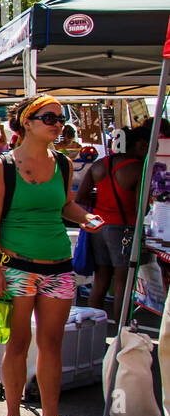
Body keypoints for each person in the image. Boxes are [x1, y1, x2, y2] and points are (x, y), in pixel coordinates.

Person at [0, 93, 101, 416]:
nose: (58, 124)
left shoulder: (63, 163)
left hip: (59, 269)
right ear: (28, 123)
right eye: (50, 118)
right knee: (18, 344)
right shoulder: (3, 166)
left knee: (52, 344)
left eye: (60, 118)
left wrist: (85, 218)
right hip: (17, 268)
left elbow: (66, 204)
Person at [76, 123, 150, 310]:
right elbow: (141, 207)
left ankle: (95, 327)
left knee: (100, 280)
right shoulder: (138, 168)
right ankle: (120, 333)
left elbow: (81, 198)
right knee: (122, 283)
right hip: (124, 228)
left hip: (98, 226)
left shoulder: (99, 165)